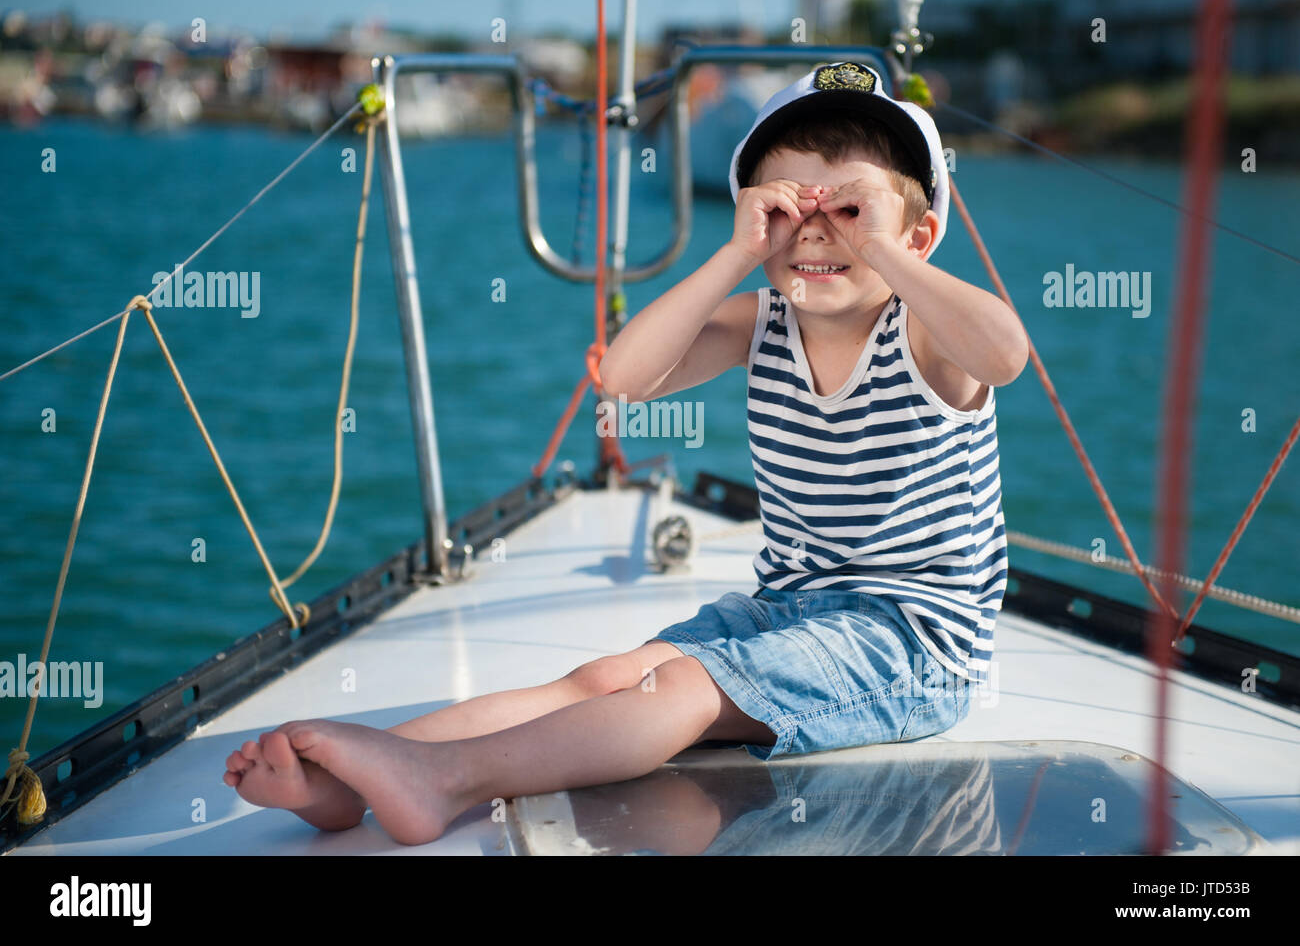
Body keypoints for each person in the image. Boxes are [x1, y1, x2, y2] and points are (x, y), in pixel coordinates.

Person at [223, 60, 1028, 846]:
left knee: (677, 689)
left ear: (917, 234)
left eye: (852, 212)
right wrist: (734, 256)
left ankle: (445, 780)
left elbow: (1005, 354)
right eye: (788, 212)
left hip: (915, 641)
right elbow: (624, 378)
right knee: (604, 678)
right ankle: (366, 772)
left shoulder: (925, 332)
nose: (817, 232)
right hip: (788, 606)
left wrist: (886, 254)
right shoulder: (762, 322)